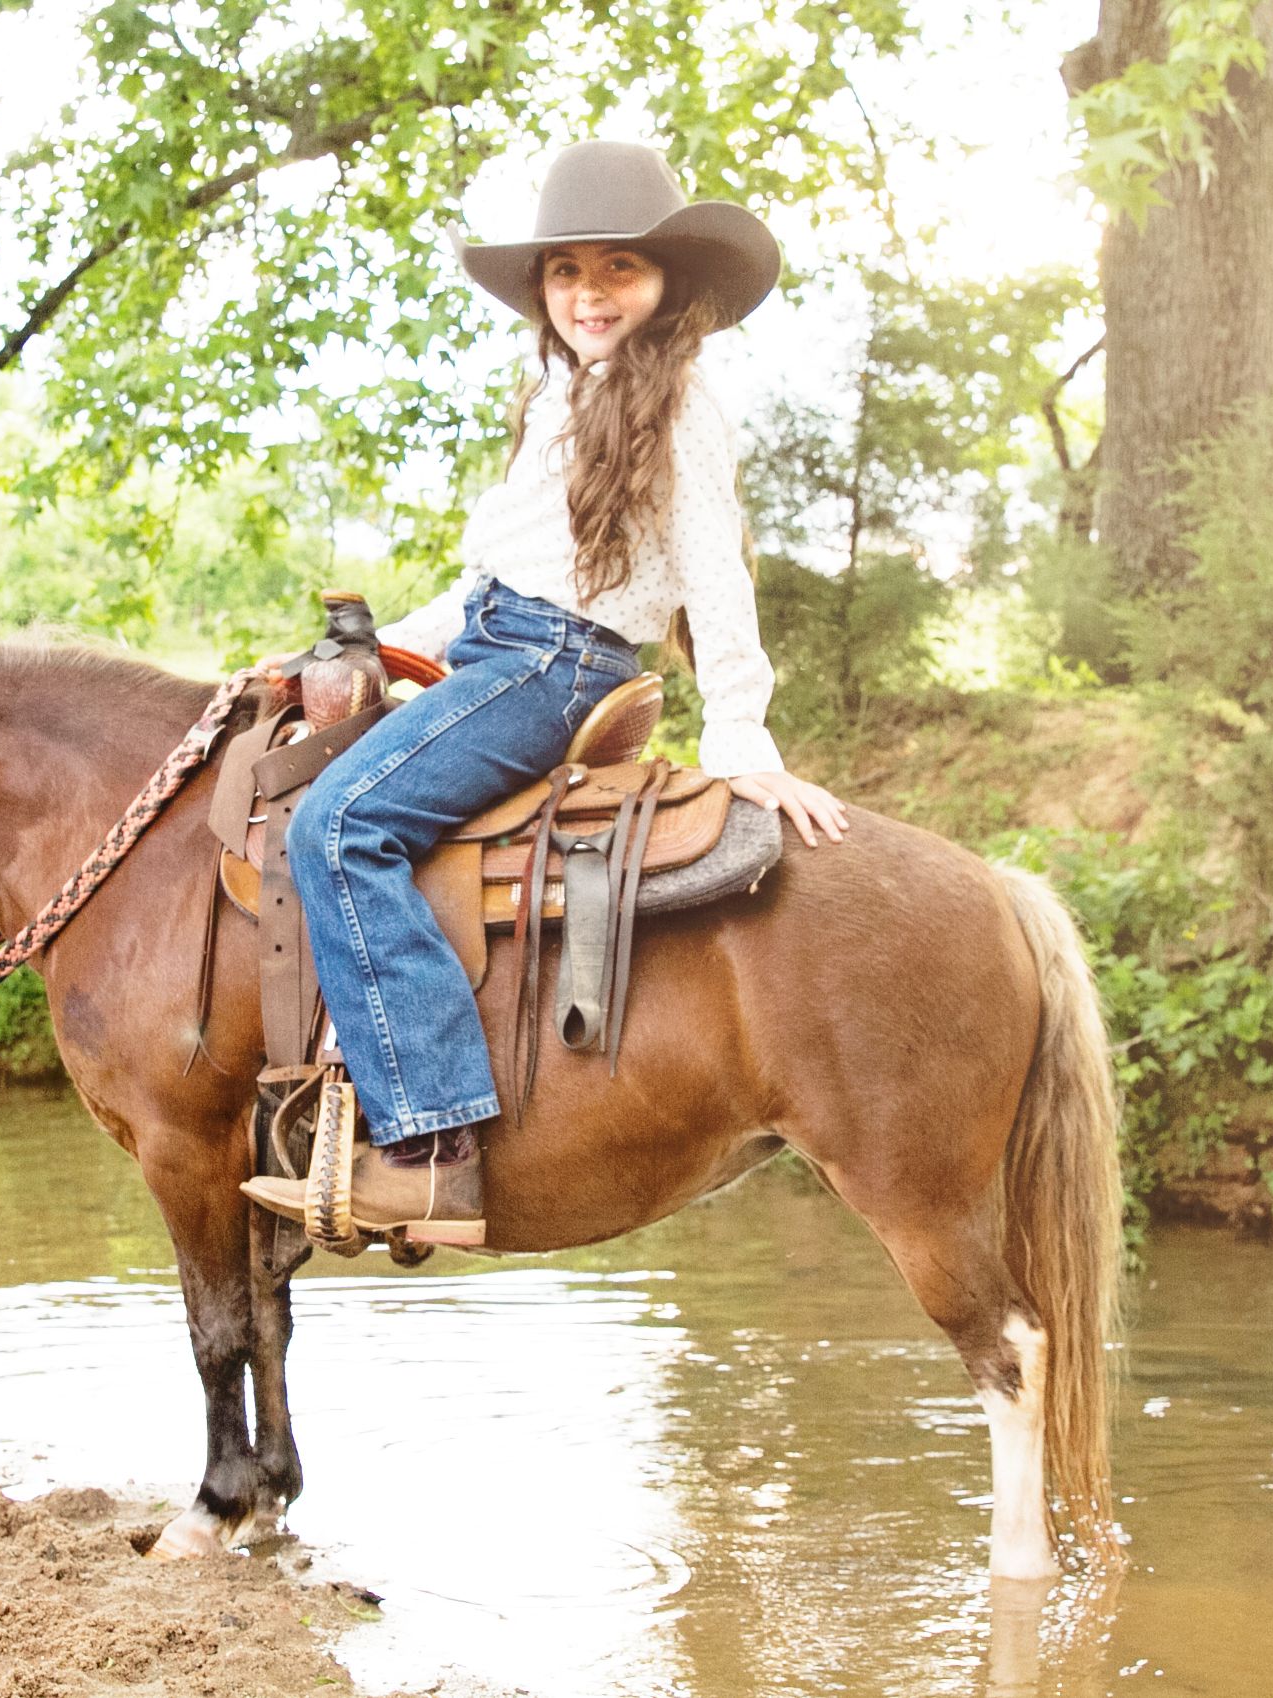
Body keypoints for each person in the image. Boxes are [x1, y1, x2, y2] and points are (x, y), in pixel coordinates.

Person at [240, 139, 848, 1244]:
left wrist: (743, 737)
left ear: (670, 282)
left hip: (555, 666)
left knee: (336, 828)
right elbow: (494, 587)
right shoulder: (564, 397)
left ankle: (431, 1149)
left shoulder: (683, 407)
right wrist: (361, 654)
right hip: (500, 643)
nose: (590, 294)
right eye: (566, 273)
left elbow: (715, 577)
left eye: (619, 268)